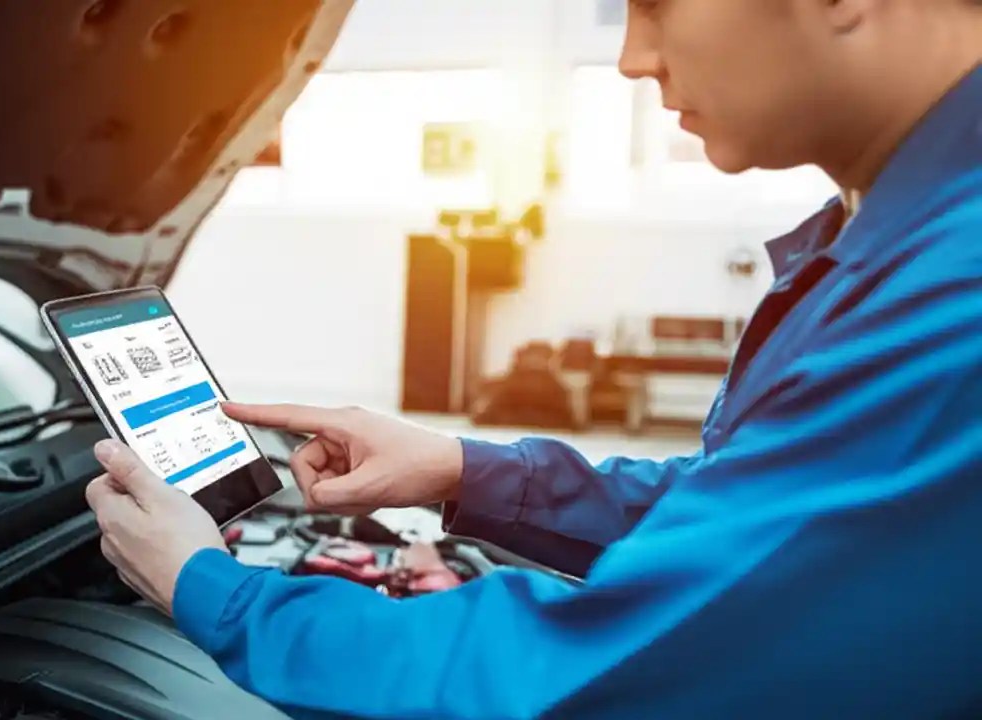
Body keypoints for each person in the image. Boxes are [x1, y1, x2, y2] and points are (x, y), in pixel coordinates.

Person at [83, 0, 982, 717]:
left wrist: (213, 592)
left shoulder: (955, 293)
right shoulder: (894, 245)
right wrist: (466, 468)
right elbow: (750, 520)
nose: (632, 56)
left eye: (655, 3)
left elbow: (591, 674)